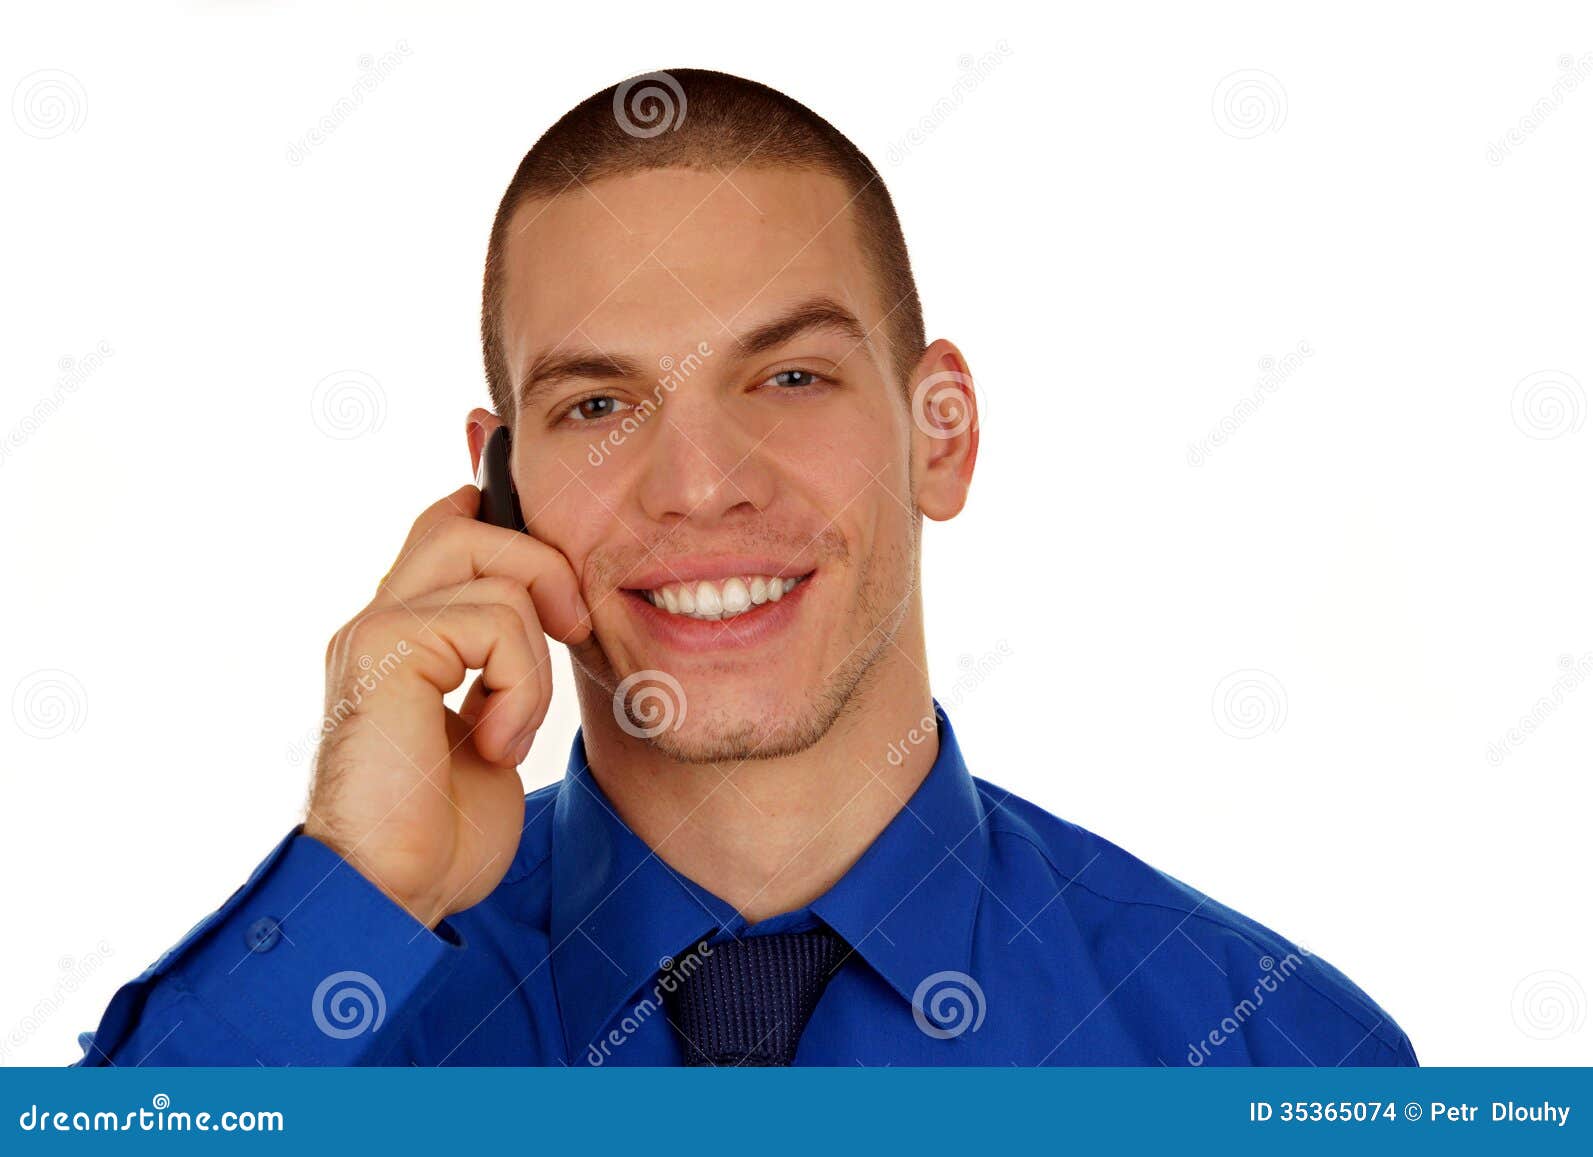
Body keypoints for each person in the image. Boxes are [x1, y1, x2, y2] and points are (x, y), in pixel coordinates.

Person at [75, 69, 1416, 1067]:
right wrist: (356, 883)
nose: (702, 483)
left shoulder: (1275, 1053)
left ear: (939, 435)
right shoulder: (313, 1037)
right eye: (600, 404)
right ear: (500, 486)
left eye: (790, 377)